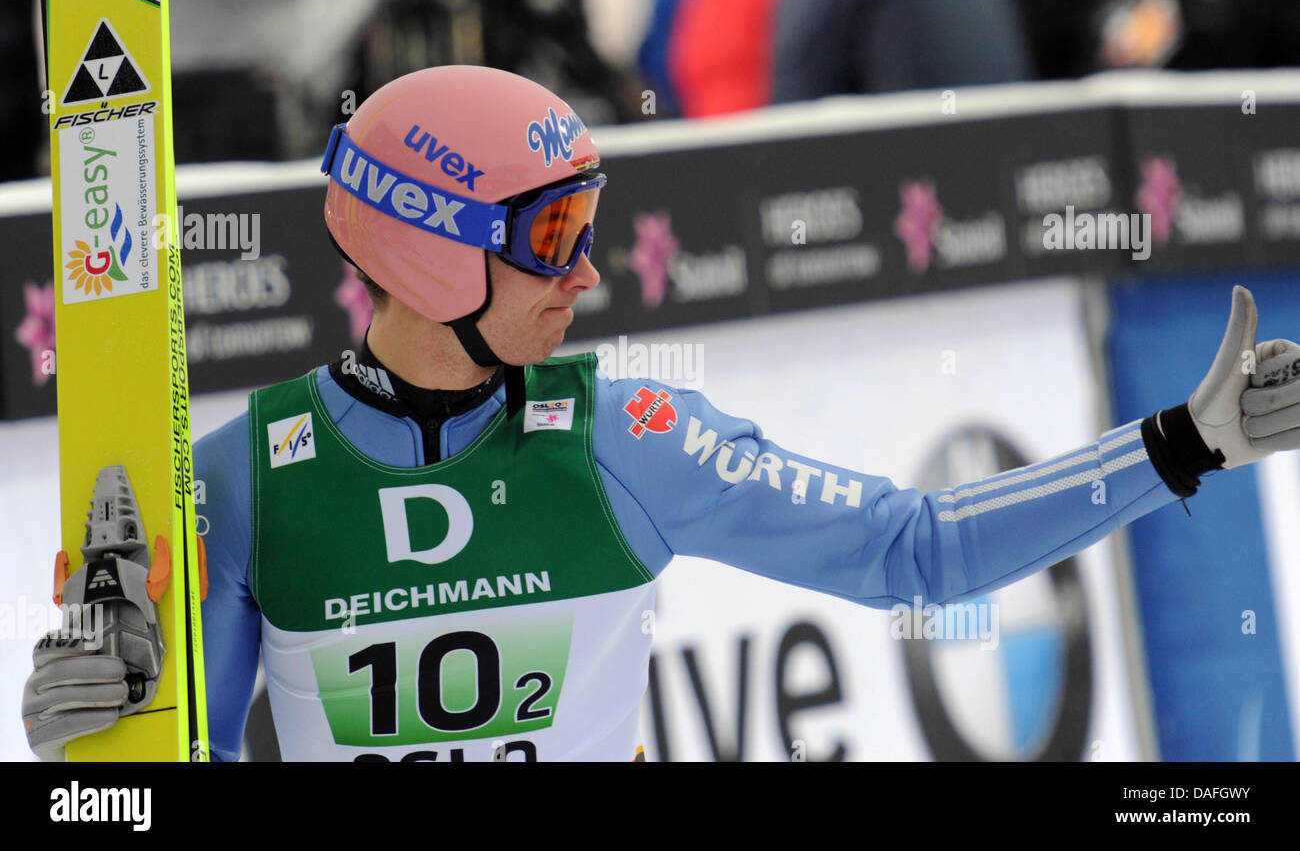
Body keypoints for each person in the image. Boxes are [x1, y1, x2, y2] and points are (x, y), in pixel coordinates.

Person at [23, 66, 1300, 762]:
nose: (588, 272)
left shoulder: (624, 434)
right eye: (552, 233)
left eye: (592, 224)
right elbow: (150, 779)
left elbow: (920, 549)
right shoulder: (245, 479)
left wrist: (1181, 445)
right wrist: (77, 753)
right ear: (422, 253)